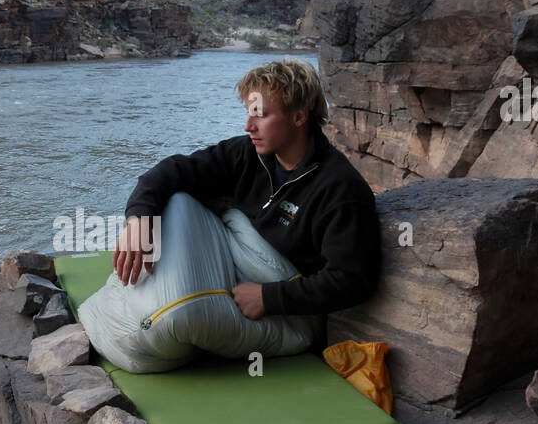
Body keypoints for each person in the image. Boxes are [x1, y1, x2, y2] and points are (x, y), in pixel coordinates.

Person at [112, 59, 380, 337]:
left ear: (299, 117)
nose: (247, 126)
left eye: (260, 115)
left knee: (172, 322)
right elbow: (172, 171)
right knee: (176, 202)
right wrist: (138, 219)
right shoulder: (247, 155)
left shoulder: (339, 188)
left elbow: (351, 280)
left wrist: (269, 298)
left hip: (289, 315)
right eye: (249, 113)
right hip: (237, 279)